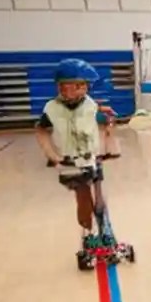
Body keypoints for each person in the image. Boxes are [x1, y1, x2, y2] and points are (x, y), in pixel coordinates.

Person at [34, 58, 117, 245]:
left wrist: (109, 121)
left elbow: (93, 111)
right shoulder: (51, 109)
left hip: (92, 157)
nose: (72, 91)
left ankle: (104, 226)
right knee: (83, 197)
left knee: (99, 193)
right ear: (61, 88)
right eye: (67, 87)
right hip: (69, 161)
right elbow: (41, 130)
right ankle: (88, 231)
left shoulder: (89, 103)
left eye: (80, 86)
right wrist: (51, 155)